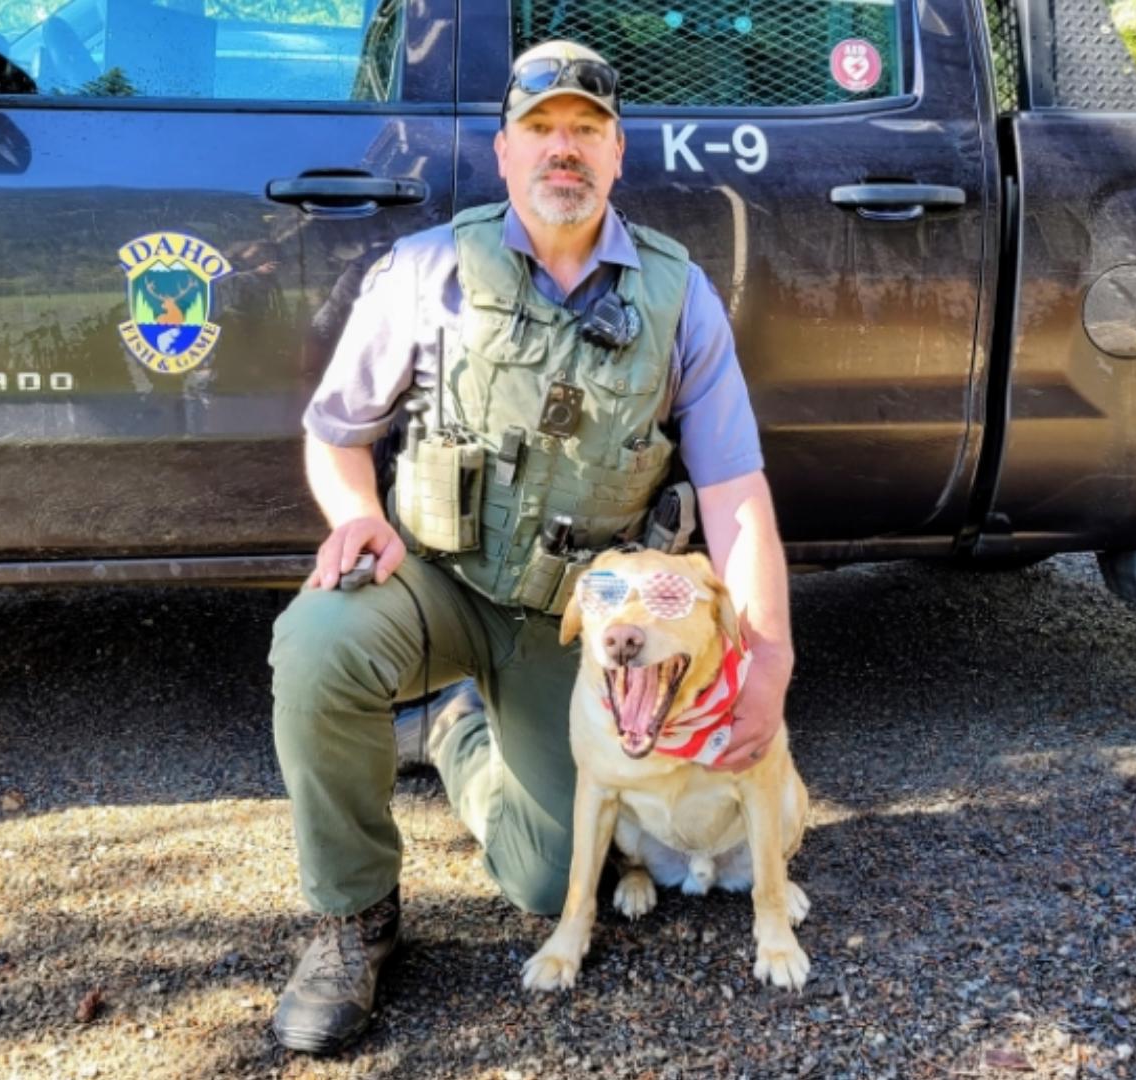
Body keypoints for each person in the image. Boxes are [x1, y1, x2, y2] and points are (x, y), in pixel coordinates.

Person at [265, 40, 796, 1053]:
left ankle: (458, 733)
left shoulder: (678, 299)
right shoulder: (428, 270)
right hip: (437, 578)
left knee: (550, 880)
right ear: (504, 153)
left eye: (586, 131)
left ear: (618, 155)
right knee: (317, 644)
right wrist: (354, 517)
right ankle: (355, 919)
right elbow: (335, 433)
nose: (565, 151)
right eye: (542, 131)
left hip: (585, 628)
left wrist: (768, 656)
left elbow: (735, 496)